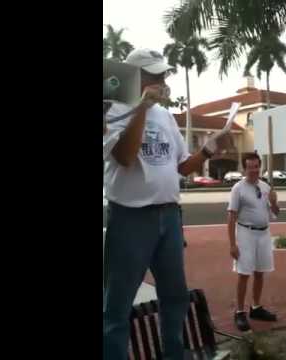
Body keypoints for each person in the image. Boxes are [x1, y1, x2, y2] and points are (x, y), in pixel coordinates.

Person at [103, 48, 232, 360]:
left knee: (174, 296)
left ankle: (174, 354)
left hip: (169, 216)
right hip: (130, 219)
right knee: (117, 305)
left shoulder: (165, 116)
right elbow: (125, 156)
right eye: (154, 75)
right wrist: (142, 108)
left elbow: (180, 166)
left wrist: (208, 151)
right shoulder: (112, 109)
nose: (162, 80)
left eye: (163, 75)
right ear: (134, 76)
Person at [227, 153, 280, 331]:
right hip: (245, 234)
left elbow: (276, 213)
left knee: (260, 272)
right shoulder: (238, 188)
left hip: (264, 234)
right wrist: (232, 244)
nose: (254, 170)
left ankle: (256, 307)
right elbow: (231, 217)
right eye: (250, 167)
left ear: (260, 166)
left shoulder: (266, 187)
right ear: (244, 168)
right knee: (244, 274)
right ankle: (240, 312)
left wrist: (274, 203)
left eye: (256, 166)